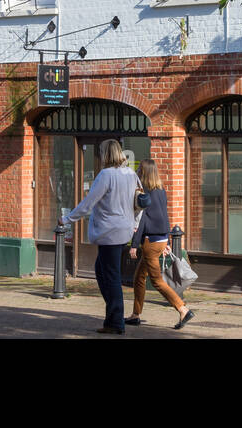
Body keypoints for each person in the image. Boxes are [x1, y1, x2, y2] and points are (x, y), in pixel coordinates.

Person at [60, 138, 140, 334]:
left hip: (109, 232)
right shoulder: (130, 174)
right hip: (123, 230)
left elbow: (89, 202)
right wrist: (135, 224)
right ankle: (112, 318)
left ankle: (115, 322)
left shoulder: (106, 175)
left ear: (105, 154)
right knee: (102, 271)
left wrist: (68, 218)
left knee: (111, 276)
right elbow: (141, 202)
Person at [126, 159, 194, 330]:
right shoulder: (161, 191)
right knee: (139, 278)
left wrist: (134, 245)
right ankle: (135, 315)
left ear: (144, 172)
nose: (138, 171)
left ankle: (183, 309)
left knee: (156, 281)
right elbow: (165, 216)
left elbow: (141, 220)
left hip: (151, 241)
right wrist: (168, 242)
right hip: (161, 239)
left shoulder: (144, 193)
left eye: (140, 168)